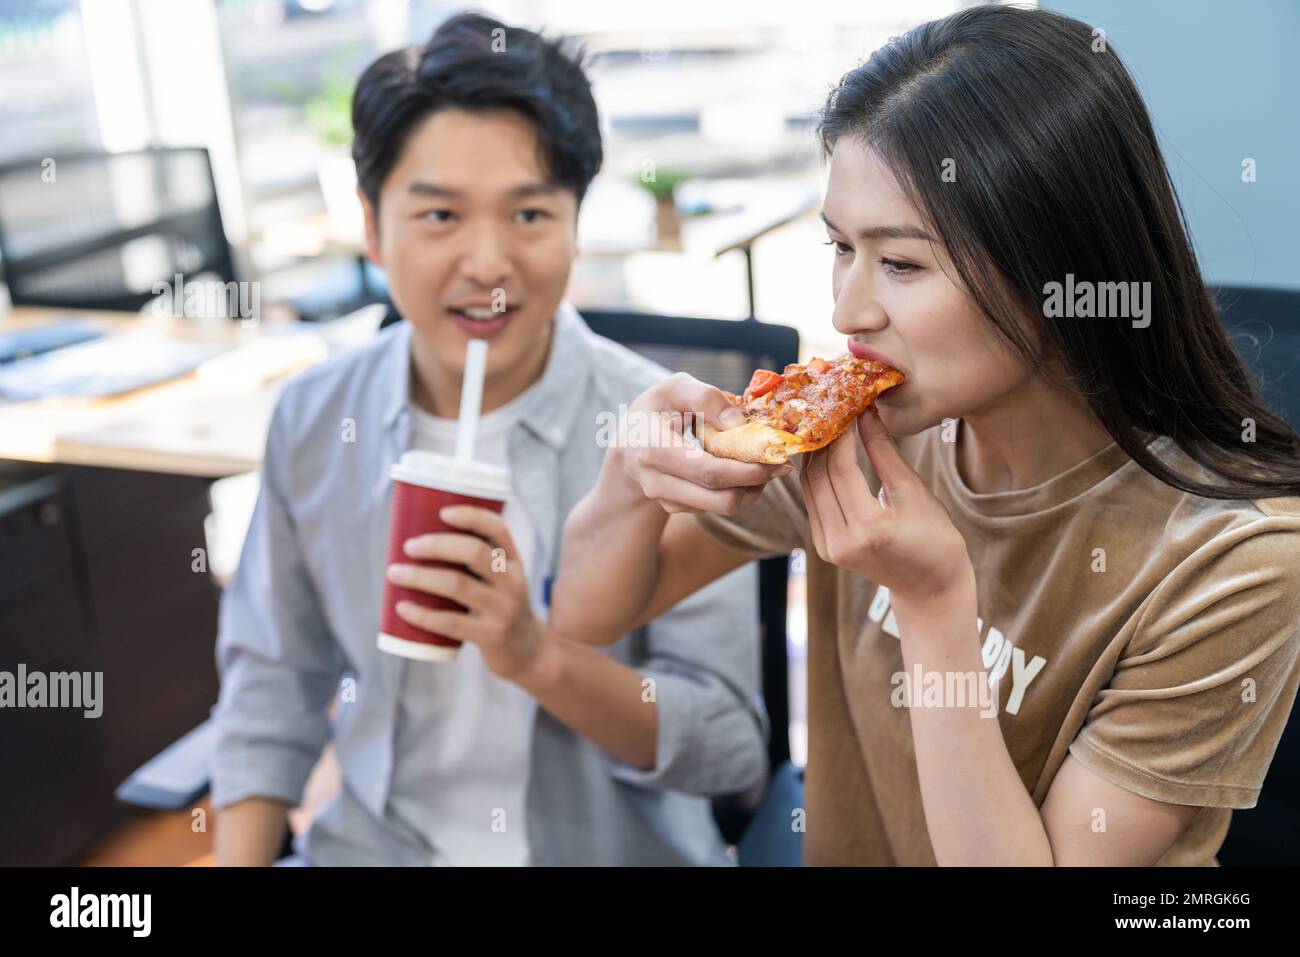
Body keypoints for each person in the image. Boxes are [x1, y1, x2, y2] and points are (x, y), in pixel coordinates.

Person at [551, 5, 1300, 866]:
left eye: (902, 263)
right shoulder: (856, 432)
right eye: (840, 247)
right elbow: (582, 614)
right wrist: (629, 478)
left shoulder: (1236, 560)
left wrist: (936, 603)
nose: (846, 310)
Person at [210, 13, 765, 867]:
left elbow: (728, 747)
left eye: (530, 214)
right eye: (438, 215)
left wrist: (534, 653)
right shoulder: (316, 417)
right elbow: (270, 689)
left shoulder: (664, 434)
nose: (487, 263)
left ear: (576, 222)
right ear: (371, 224)